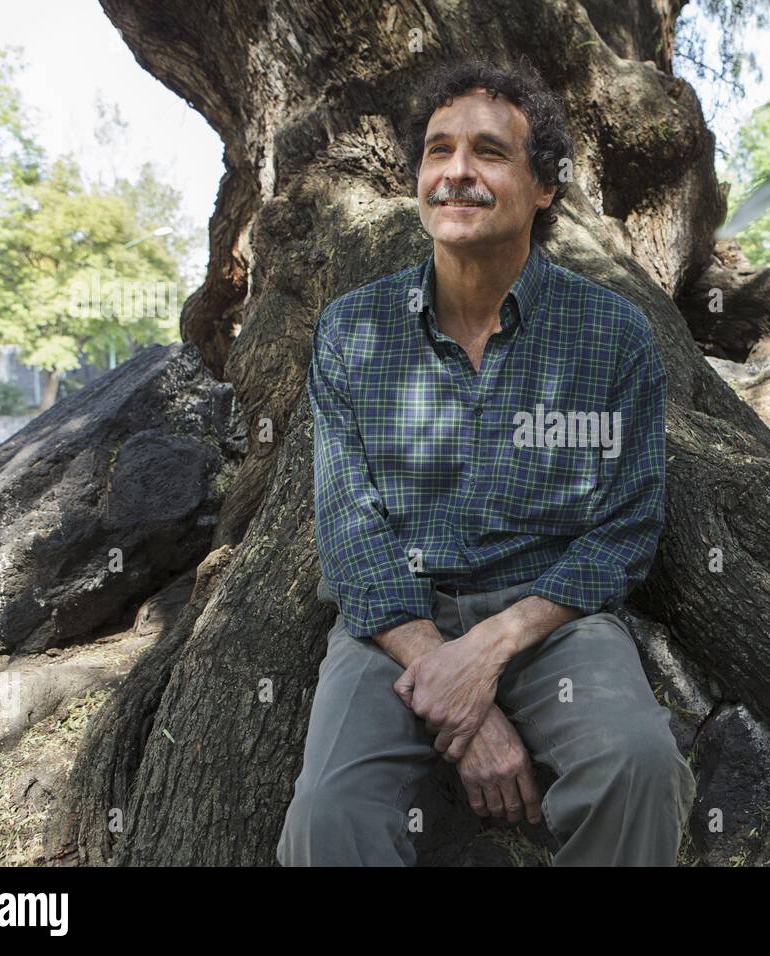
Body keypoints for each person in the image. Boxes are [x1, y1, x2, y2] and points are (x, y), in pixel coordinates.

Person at [277, 57, 695, 867]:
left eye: (489, 153)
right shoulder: (351, 331)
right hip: (391, 628)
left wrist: (495, 645)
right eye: (439, 151)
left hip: (552, 623)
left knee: (639, 769)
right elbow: (351, 532)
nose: (457, 173)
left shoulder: (611, 336)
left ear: (544, 188)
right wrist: (447, 676)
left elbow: (626, 528)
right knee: (328, 818)